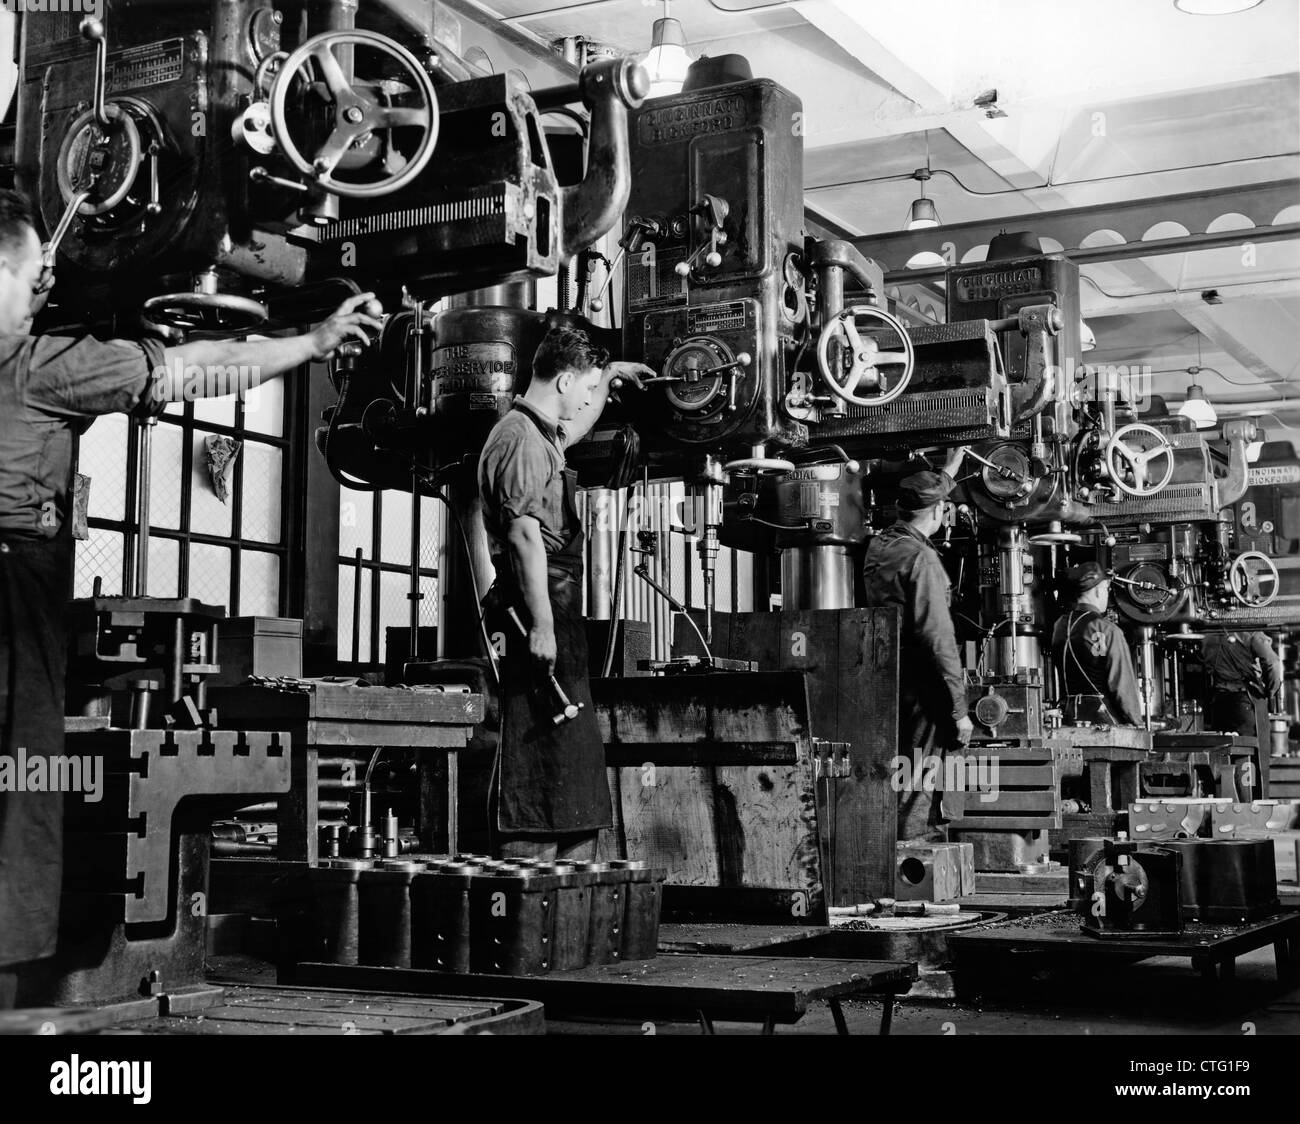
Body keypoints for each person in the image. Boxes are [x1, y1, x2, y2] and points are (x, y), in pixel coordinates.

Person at [0, 187, 383, 1008]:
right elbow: (207, 365)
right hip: (12, 605)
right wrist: (313, 340)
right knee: (19, 797)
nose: (44, 287)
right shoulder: (43, 368)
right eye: (34, 272)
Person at [477, 326, 650, 861]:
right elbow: (524, 535)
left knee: (570, 764)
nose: (584, 400)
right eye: (585, 387)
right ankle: (529, 885)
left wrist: (611, 377)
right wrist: (544, 625)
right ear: (565, 378)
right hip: (537, 606)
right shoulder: (519, 439)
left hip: (556, 600)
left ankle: (568, 894)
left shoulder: (539, 432)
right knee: (541, 758)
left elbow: (574, 427)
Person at [861, 451, 973, 841]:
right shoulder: (923, 559)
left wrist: (948, 472)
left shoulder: (880, 546)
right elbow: (937, 637)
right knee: (918, 778)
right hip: (923, 689)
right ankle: (911, 863)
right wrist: (958, 709)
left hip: (887, 678)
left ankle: (889, 858)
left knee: (896, 771)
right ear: (940, 511)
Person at [1050, 561, 1143, 727]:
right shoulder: (1107, 629)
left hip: (1068, 720)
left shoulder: (1059, 625)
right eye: (1106, 590)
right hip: (1104, 721)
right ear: (1099, 591)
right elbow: (1123, 685)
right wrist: (1138, 724)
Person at [1201, 630, 1282, 736]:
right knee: (1251, 747)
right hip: (1244, 701)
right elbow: (1273, 663)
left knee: (1222, 748)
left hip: (1218, 703)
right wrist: (1271, 691)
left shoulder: (1208, 636)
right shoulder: (1251, 633)